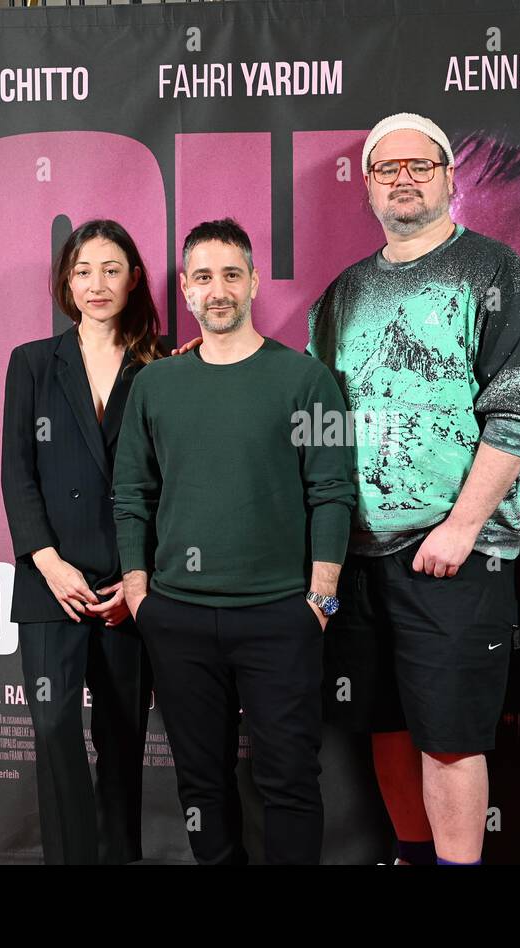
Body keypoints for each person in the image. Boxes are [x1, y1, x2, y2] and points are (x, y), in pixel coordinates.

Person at [307, 112, 520, 866]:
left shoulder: (494, 270)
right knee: (387, 724)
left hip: (455, 552)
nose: (405, 178)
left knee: (450, 735)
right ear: (368, 186)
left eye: (422, 165)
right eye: (388, 167)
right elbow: (312, 417)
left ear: (450, 179)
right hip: (359, 557)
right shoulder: (341, 295)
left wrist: (461, 526)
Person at [113, 218, 355, 865]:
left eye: (229, 274)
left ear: (251, 282)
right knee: (202, 781)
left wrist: (321, 599)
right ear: (185, 291)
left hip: (281, 615)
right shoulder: (155, 385)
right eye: (202, 276)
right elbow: (131, 493)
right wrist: (140, 593)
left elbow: (332, 490)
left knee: (290, 780)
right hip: (178, 617)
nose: (216, 289)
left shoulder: (308, 380)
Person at [0, 219, 160, 864]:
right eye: (84, 270)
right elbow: (17, 473)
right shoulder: (34, 362)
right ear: (67, 280)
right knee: (53, 727)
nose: (97, 284)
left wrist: (139, 576)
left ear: (135, 278)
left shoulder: (164, 361)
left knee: (124, 738)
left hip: (131, 585)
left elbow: (171, 481)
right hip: (51, 584)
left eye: (112, 269)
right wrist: (48, 563)